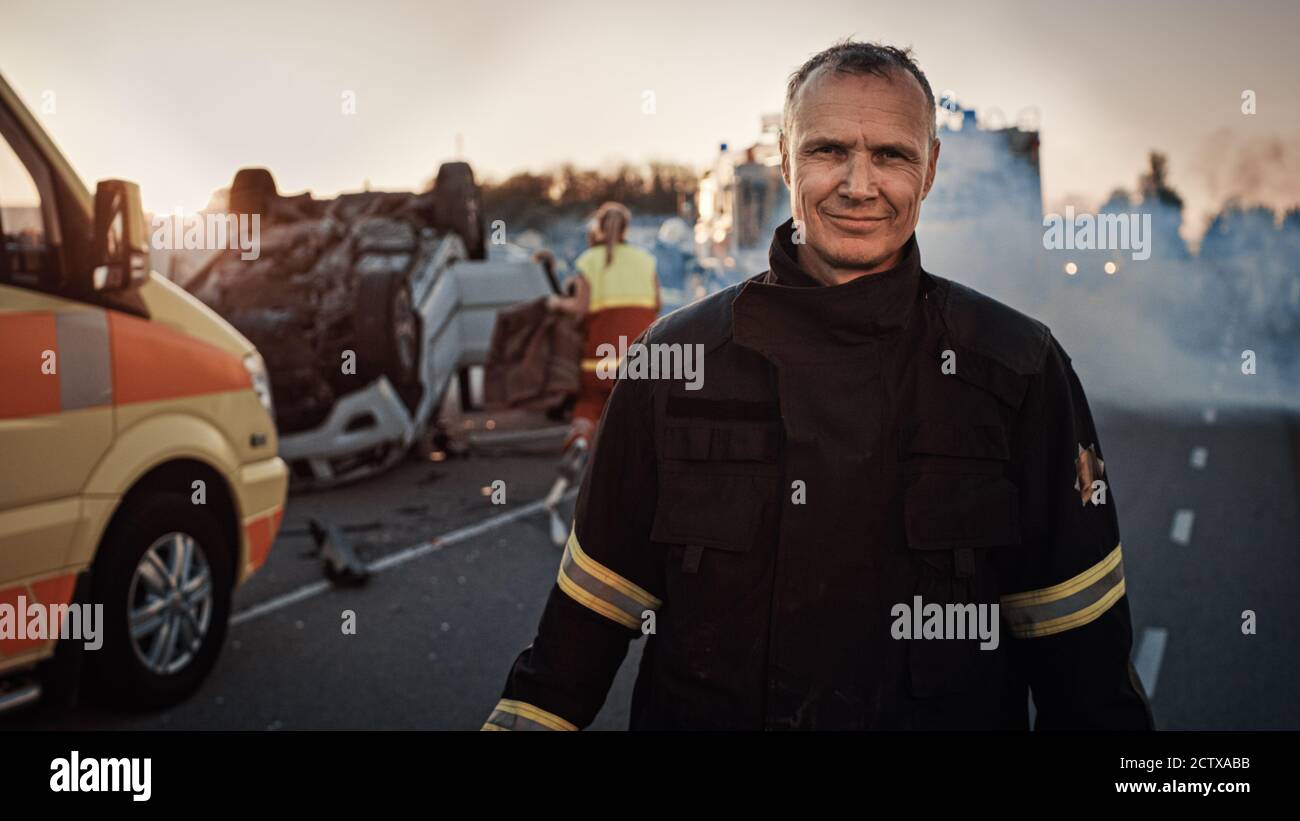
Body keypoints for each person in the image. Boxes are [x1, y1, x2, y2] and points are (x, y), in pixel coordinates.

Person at [485, 40, 1154, 730]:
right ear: (785, 158)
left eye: (891, 155)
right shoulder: (675, 363)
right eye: (828, 150)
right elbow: (572, 650)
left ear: (929, 172)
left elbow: (1089, 683)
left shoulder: (1019, 369)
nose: (859, 185)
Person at [540, 202, 659, 545]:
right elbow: (656, 304)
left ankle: (579, 442)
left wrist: (552, 304)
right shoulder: (646, 261)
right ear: (626, 229)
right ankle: (635, 483)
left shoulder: (587, 262)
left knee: (590, 405)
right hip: (640, 361)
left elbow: (578, 309)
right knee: (635, 417)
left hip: (598, 362)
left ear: (597, 227)